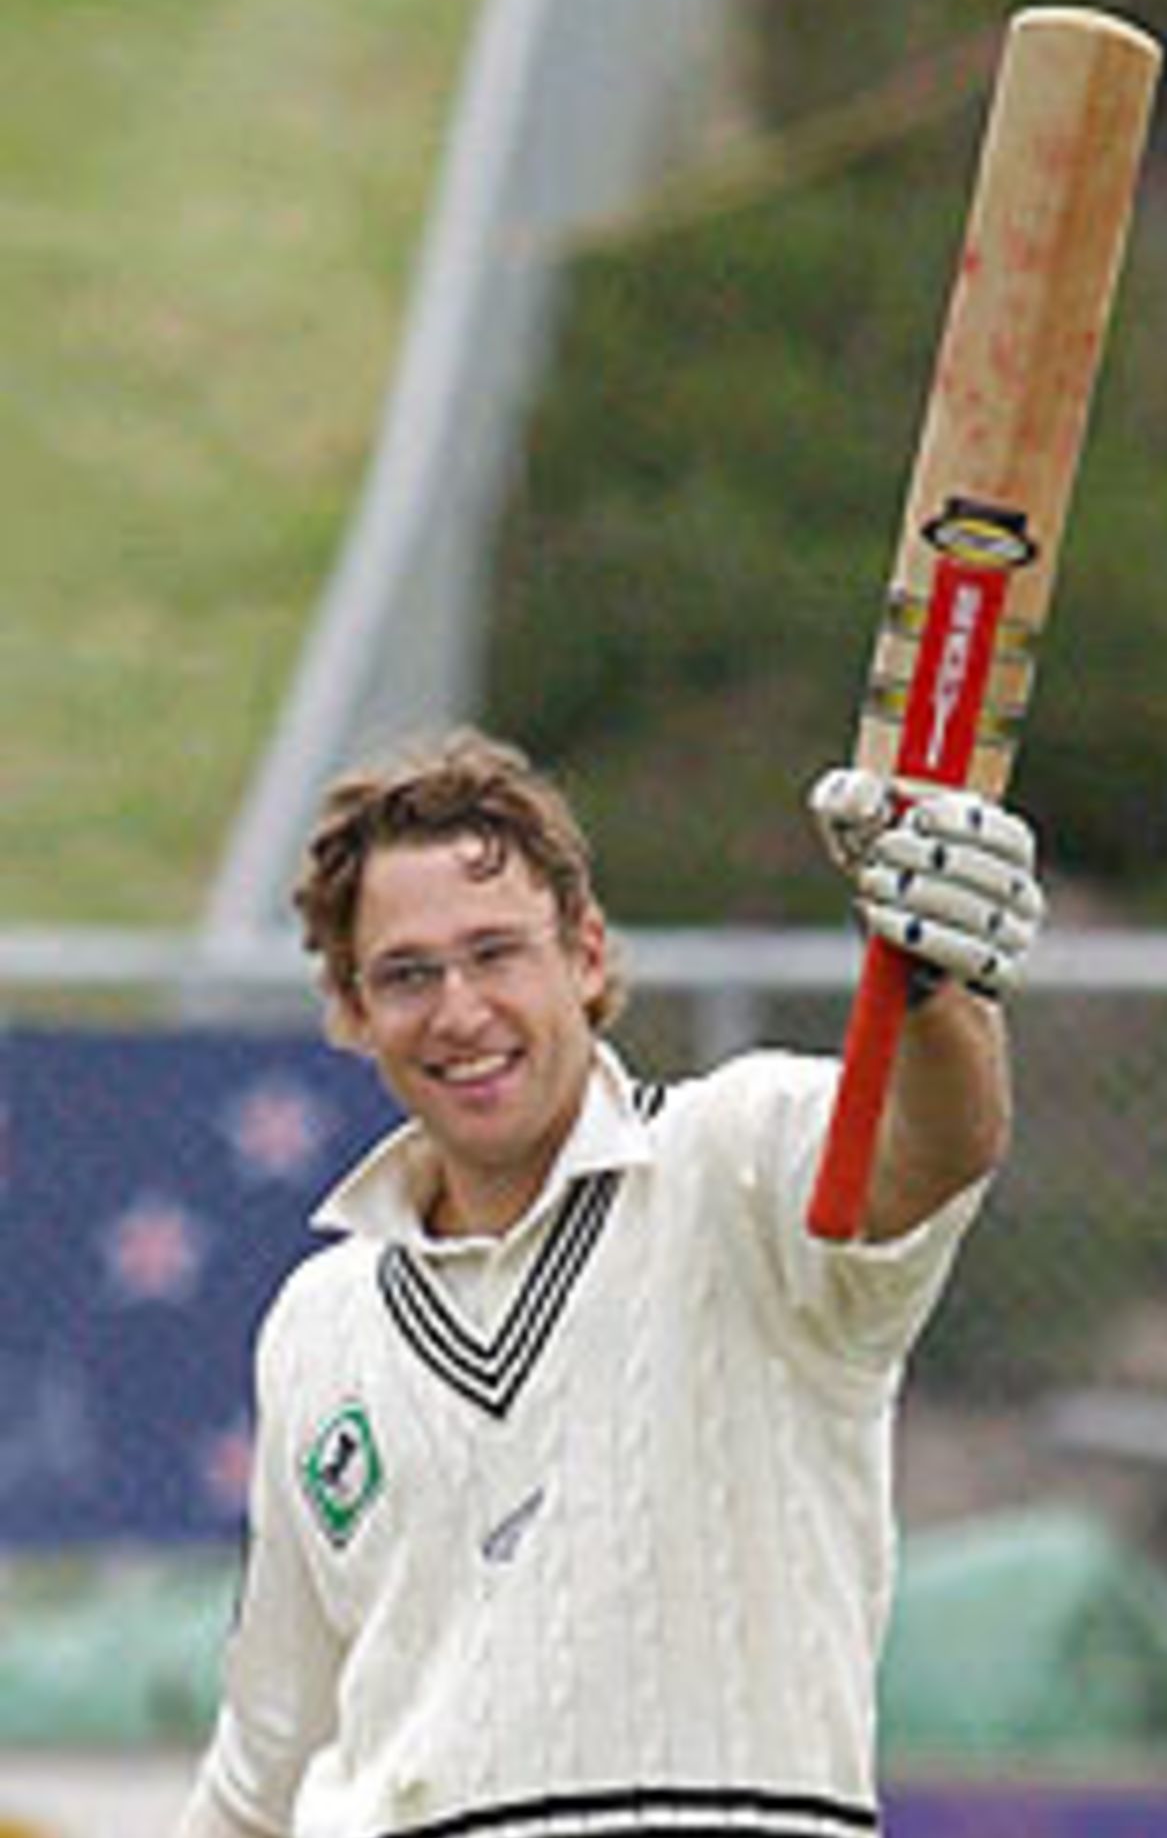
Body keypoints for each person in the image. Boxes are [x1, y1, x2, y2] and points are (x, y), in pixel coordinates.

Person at [175, 728, 1044, 1838]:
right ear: (348, 1008)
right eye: (405, 974)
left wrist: (940, 986)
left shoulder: (731, 1158)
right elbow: (264, 1754)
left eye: (496, 952)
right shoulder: (319, 1317)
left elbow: (930, 1148)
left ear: (585, 954)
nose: (459, 1011)